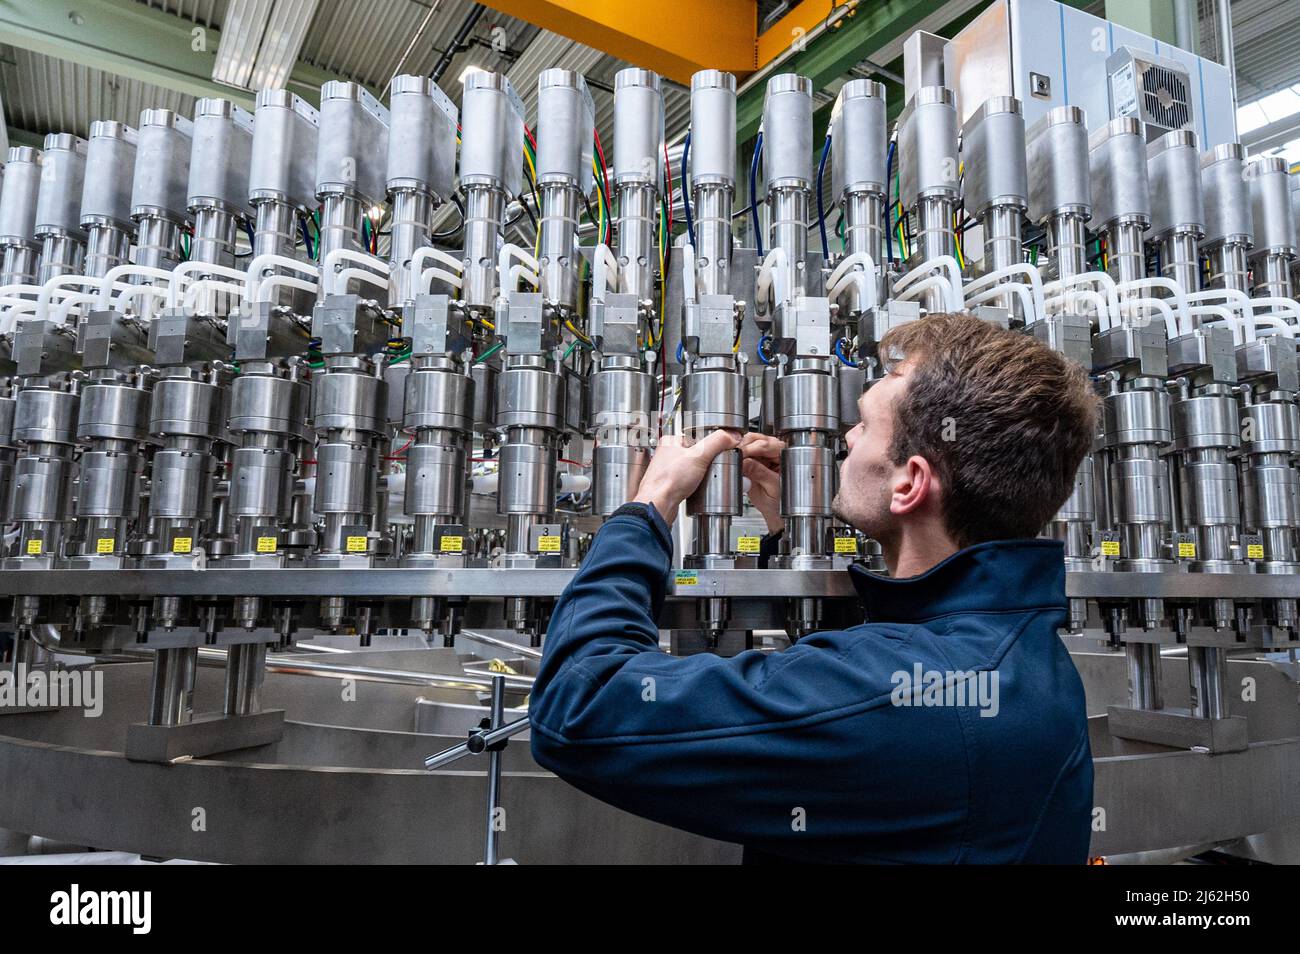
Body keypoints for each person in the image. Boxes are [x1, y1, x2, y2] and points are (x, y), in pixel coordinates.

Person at [529, 313, 1099, 863]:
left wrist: (646, 508)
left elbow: (579, 707)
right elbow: (859, 705)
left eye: (863, 425)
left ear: (911, 484)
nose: (845, 438)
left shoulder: (902, 696)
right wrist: (789, 527)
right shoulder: (1020, 652)